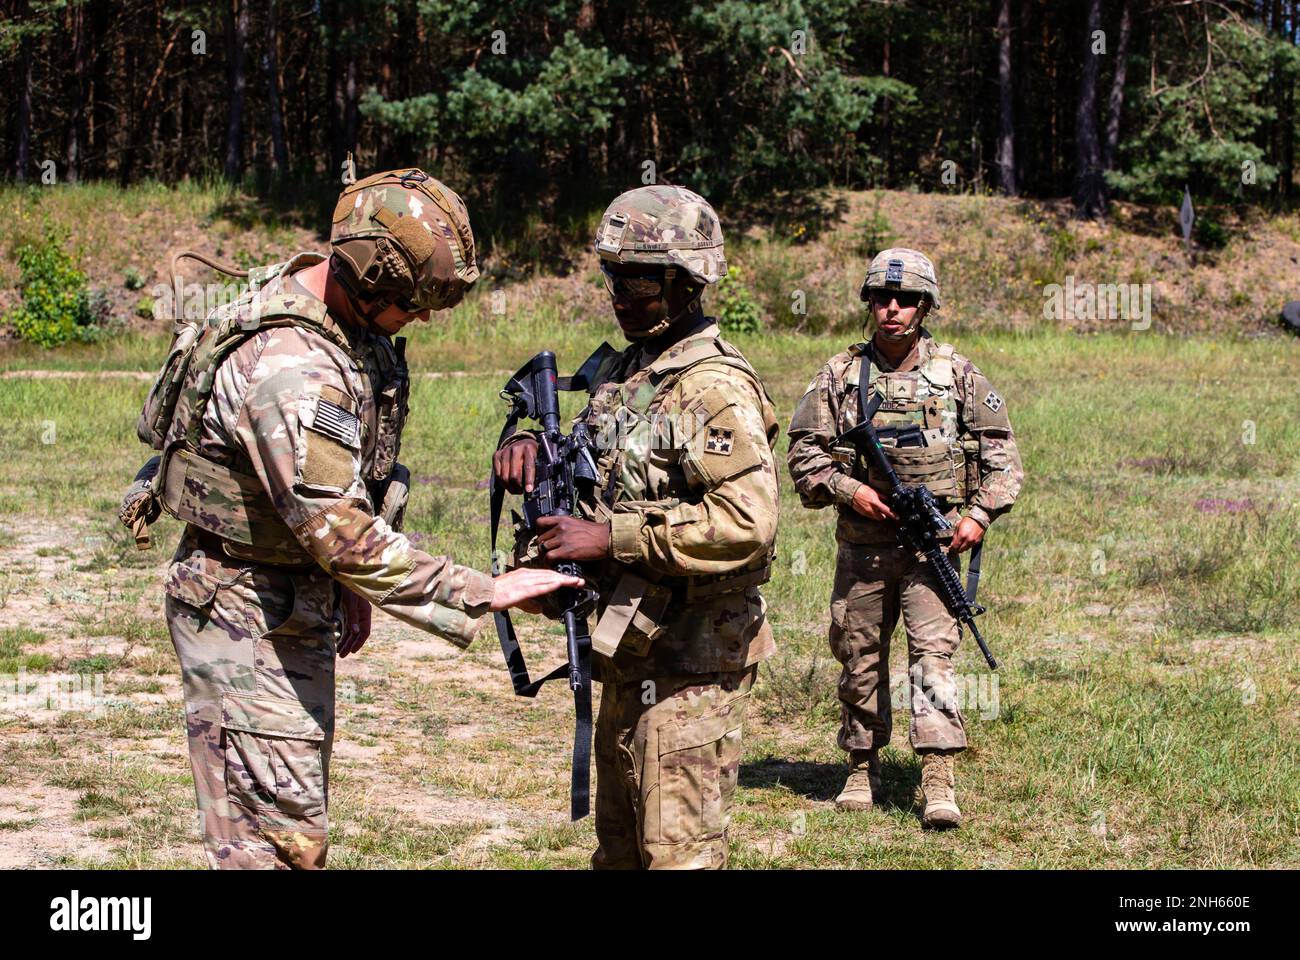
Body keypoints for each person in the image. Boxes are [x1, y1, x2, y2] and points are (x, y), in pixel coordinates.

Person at [121, 168, 580, 869]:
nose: (420, 319)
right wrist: (482, 589)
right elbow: (339, 531)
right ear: (369, 280)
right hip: (245, 611)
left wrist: (345, 587)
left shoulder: (324, 298)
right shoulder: (294, 369)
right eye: (412, 304)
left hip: (287, 592)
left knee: (287, 825)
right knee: (275, 846)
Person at [493, 185, 779, 869]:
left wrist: (613, 538)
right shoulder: (630, 372)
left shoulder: (711, 388)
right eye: (613, 278)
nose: (622, 296)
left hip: (692, 666)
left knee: (677, 857)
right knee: (618, 854)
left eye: (640, 283)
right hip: (627, 650)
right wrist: (537, 455)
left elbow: (748, 522)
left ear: (687, 283)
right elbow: (602, 476)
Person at [786, 248, 1023, 829]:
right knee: (859, 655)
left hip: (933, 547)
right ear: (869, 303)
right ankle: (861, 766)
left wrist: (976, 518)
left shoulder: (957, 373)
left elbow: (1004, 460)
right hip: (864, 547)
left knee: (933, 660)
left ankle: (938, 779)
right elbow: (802, 454)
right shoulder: (840, 375)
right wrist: (850, 490)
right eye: (881, 299)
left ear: (926, 306)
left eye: (907, 300)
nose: (892, 309)